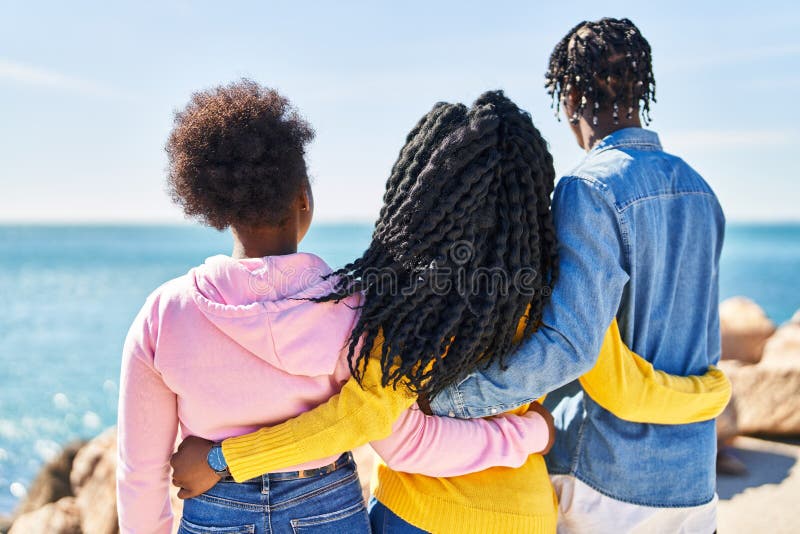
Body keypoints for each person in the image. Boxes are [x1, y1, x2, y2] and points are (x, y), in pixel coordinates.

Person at [169, 89, 728, 533]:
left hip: (421, 517)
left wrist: (224, 461)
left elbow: (359, 419)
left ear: (419, 198)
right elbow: (605, 372)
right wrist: (711, 392)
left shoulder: (406, 304)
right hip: (528, 515)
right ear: (528, 198)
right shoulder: (545, 291)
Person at [116, 81, 555, 534]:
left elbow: (140, 473)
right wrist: (529, 434)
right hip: (326, 509)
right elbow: (409, 445)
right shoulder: (355, 309)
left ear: (219, 208)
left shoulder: (165, 314)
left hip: (215, 510)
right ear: (303, 198)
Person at [425, 18, 726, 533]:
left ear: (568, 96)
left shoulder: (587, 190)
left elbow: (570, 344)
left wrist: (453, 399)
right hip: (694, 478)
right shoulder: (701, 191)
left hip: (607, 477)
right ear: (640, 87)